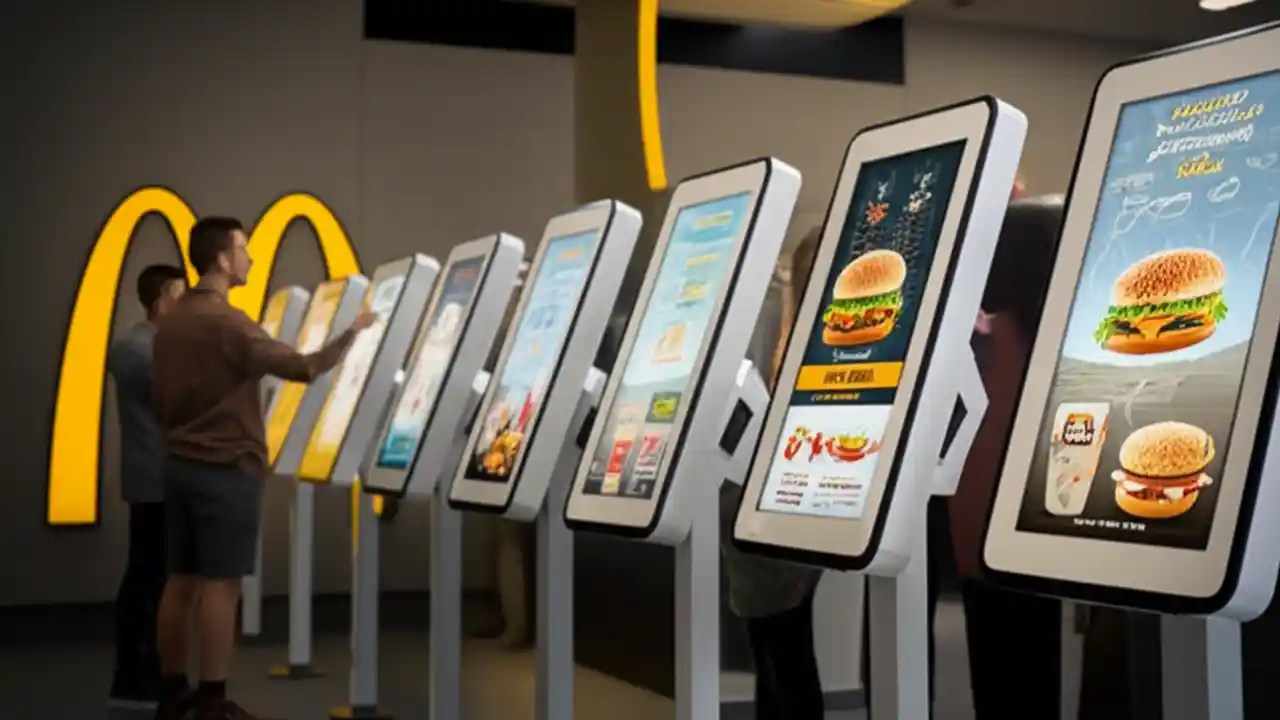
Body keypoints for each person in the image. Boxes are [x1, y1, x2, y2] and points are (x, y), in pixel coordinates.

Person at [151, 217, 376, 720]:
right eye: (243, 249)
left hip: (180, 465)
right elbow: (304, 367)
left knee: (181, 580)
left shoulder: (173, 323)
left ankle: (172, 693)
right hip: (224, 468)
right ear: (223, 260)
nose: (250, 258)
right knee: (222, 583)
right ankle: (212, 700)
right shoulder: (228, 322)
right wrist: (353, 334)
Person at [947, 194, 1065, 717]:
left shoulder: (986, 346)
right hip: (1028, 532)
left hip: (979, 527)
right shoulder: (1058, 350)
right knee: (1036, 675)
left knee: (998, 679)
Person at [720, 228, 826, 720]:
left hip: (753, 510)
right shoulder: (799, 337)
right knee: (786, 653)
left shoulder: (773, 328)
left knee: (778, 654)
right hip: (776, 512)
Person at [108, 264, 188, 709]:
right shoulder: (139, 351)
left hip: (155, 480)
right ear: (160, 298)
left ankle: (146, 668)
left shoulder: (143, 348)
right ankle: (135, 672)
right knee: (147, 580)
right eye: (180, 295)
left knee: (151, 577)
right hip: (155, 482)